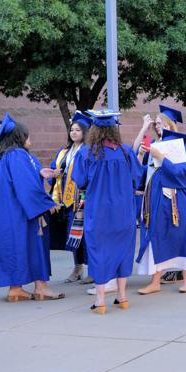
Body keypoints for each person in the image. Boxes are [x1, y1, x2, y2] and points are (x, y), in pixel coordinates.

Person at [0, 114, 63, 302]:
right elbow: (26, 187)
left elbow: (15, 182)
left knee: (15, 247)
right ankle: (41, 287)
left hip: (7, 212)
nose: (31, 140)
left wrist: (39, 172)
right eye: (28, 136)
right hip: (23, 212)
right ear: (19, 137)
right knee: (36, 245)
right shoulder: (18, 155)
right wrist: (46, 204)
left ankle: (15, 289)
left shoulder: (1, 157)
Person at [73, 112, 141, 314]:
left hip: (98, 212)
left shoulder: (86, 153)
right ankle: (122, 297)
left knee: (99, 252)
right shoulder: (126, 152)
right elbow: (136, 179)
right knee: (123, 252)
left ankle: (100, 300)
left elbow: (80, 181)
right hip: (124, 212)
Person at [136, 130, 186, 295]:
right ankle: (155, 282)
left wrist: (163, 159)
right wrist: (141, 155)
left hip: (180, 206)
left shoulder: (185, 166)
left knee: (184, 238)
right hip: (159, 207)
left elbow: (181, 177)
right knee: (157, 237)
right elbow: (140, 177)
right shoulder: (155, 168)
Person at [49, 112, 91, 284]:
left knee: (85, 236)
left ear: (85, 132)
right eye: (72, 130)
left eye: (77, 130)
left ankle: (93, 270)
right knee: (72, 236)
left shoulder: (88, 150)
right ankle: (78, 267)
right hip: (65, 199)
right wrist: (54, 172)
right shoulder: (64, 151)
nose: (73, 133)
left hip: (81, 199)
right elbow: (53, 168)